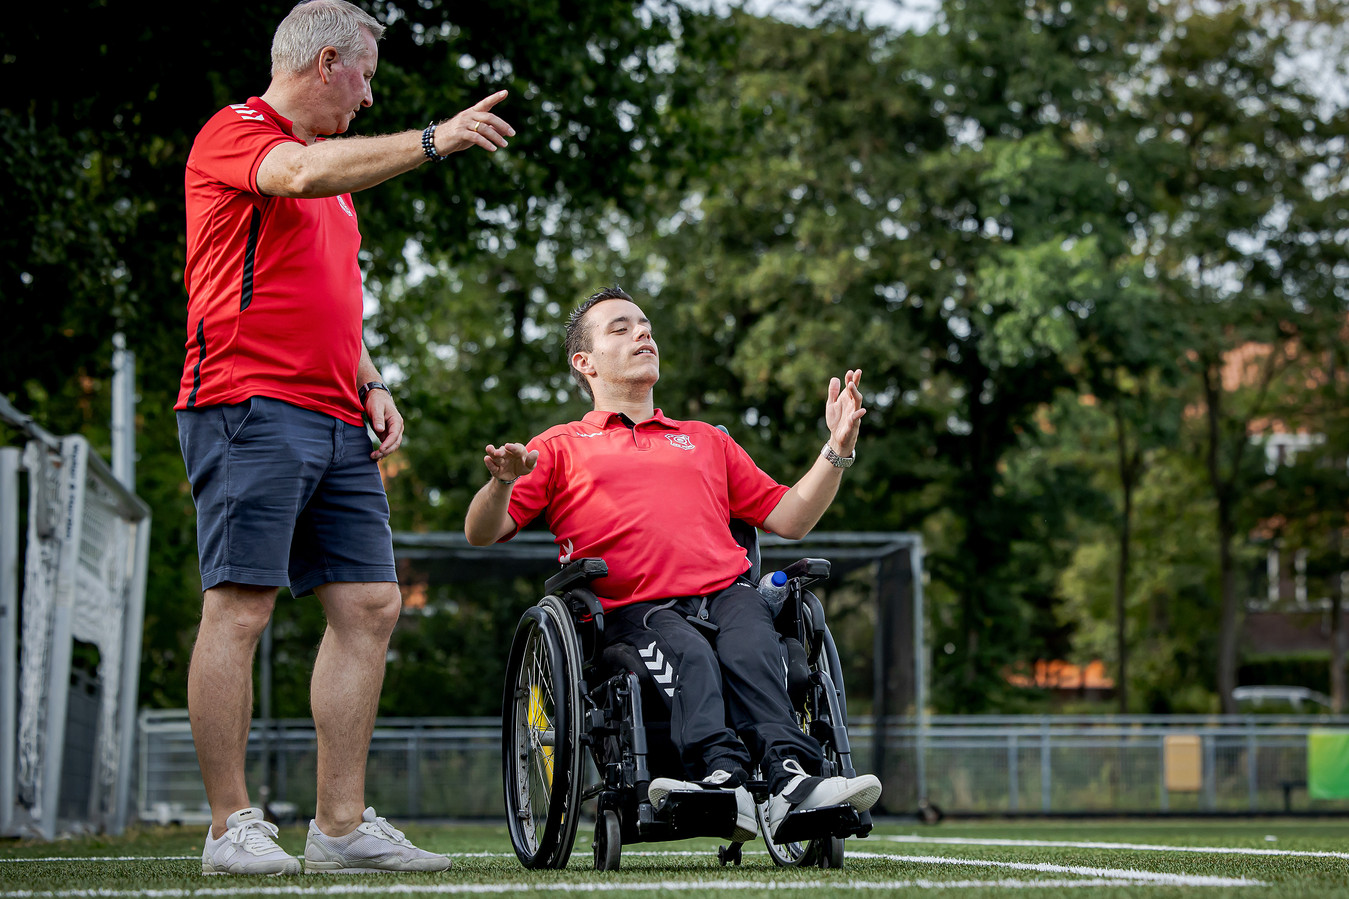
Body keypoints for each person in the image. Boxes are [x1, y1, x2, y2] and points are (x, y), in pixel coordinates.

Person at [176, 0, 515, 876]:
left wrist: (371, 380)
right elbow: (297, 174)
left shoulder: (332, 180)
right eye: (364, 75)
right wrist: (434, 138)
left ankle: (340, 824)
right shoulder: (241, 134)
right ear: (327, 62)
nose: (369, 97)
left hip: (335, 415)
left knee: (371, 605)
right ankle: (229, 827)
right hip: (246, 401)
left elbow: (325, 294)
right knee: (241, 604)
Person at [464, 287, 882, 843]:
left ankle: (791, 781)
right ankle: (722, 776)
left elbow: (790, 517)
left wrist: (835, 450)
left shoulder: (707, 440)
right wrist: (502, 481)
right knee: (688, 653)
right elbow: (481, 531)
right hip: (635, 609)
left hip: (727, 593)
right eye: (620, 328)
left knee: (755, 641)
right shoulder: (560, 446)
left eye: (644, 324)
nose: (643, 333)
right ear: (583, 363)